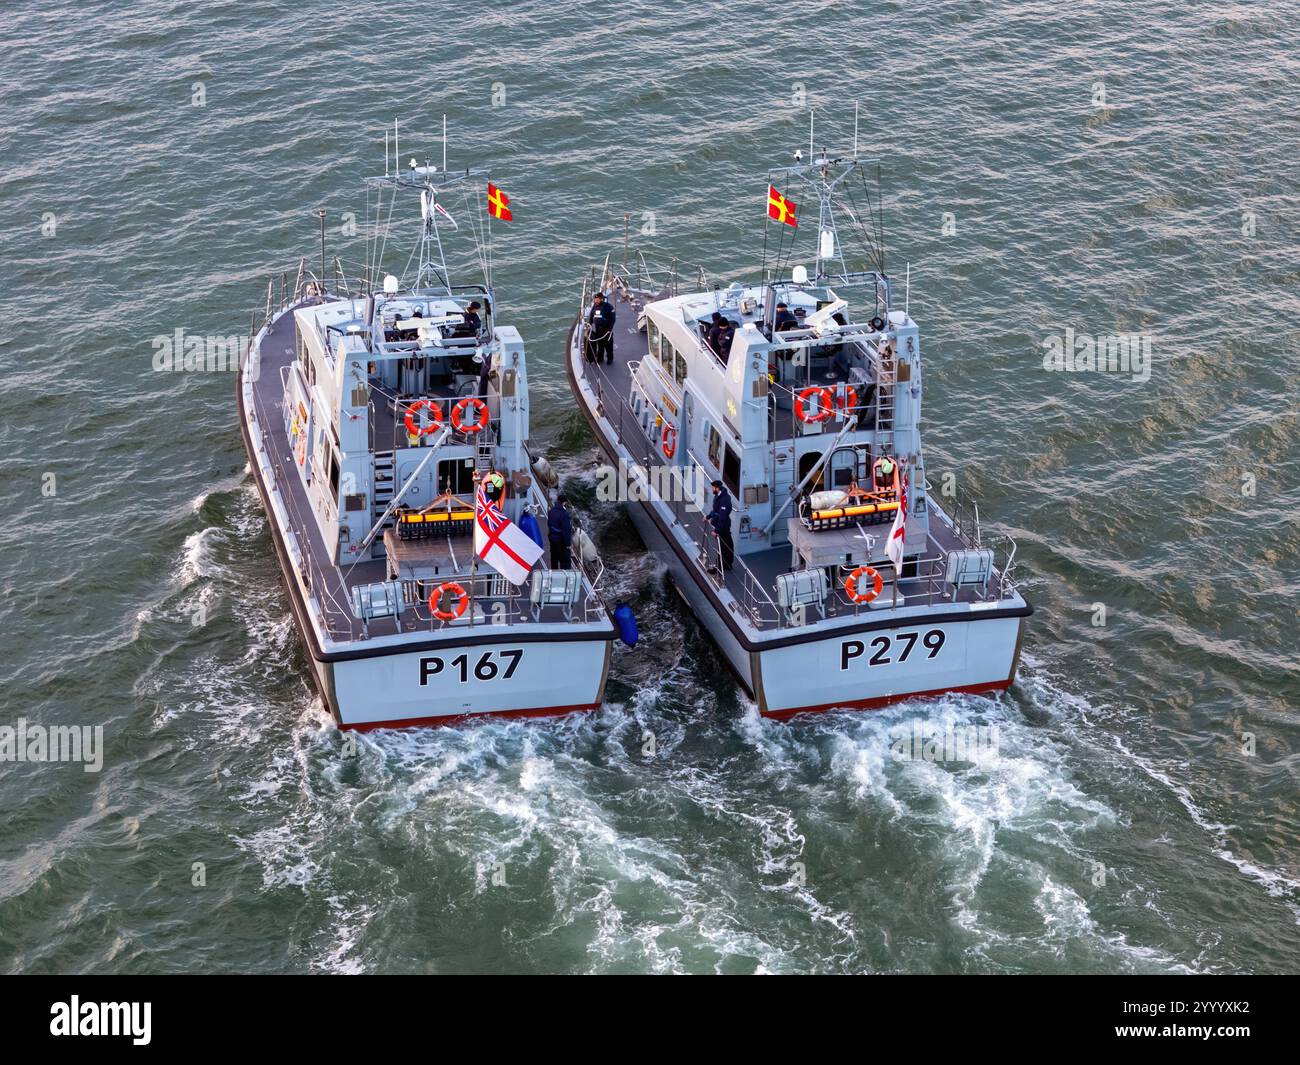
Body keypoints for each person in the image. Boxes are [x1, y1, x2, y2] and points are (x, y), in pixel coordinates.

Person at [707, 479, 734, 572]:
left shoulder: (725, 499)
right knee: (726, 546)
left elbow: (723, 517)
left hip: (723, 526)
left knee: (723, 547)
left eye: (713, 488)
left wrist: (716, 530)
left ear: (717, 488)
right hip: (719, 524)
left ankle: (719, 568)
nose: (712, 489)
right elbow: (715, 510)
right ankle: (727, 564)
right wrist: (708, 517)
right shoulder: (718, 496)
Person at [587, 292, 616, 364]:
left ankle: (610, 359)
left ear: (601, 299)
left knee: (608, 346)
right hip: (598, 330)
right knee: (600, 346)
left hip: (607, 331)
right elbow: (591, 316)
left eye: (597, 299)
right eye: (595, 299)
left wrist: (610, 329)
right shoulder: (594, 306)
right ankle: (600, 358)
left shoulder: (609, 307)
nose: (595, 300)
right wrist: (589, 324)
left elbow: (613, 319)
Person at [547, 494, 573, 570]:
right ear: (564, 503)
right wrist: (568, 544)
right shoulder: (564, 514)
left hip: (552, 538)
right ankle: (564, 577)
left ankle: (553, 574)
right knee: (565, 561)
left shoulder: (551, 510)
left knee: (554, 558)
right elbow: (566, 531)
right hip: (561, 541)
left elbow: (549, 523)